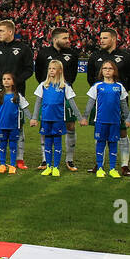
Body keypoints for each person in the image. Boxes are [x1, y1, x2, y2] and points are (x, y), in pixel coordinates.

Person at [85, 28, 130, 175]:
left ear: (114, 39)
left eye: (105, 38)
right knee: (99, 132)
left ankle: (124, 165)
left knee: (122, 132)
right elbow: (91, 78)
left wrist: (119, 91)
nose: (101, 40)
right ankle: (99, 163)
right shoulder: (95, 56)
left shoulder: (126, 56)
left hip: (118, 99)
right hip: (101, 100)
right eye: (100, 38)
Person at [0, 19, 34, 170]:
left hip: (16, 93)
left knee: (18, 125)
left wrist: (15, 82)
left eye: (1, 31)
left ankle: (19, 159)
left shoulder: (24, 49)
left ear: (10, 32)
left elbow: (29, 70)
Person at [35, 28, 81, 171]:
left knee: (71, 126)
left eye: (68, 38)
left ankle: (69, 159)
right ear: (55, 39)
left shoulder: (72, 54)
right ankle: (45, 160)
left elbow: (72, 75)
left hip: (64, 92)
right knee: (46, 126)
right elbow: (38, 74)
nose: (68, 41)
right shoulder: (43, 53)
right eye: (65, 38)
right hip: (49, 94)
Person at [31, 59, 81, 178]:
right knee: (47, 142)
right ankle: (48, 166)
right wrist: (34, 118)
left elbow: (72, 102)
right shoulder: (43, 85)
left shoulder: (65, 86)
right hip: (46, 119)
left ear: (60, 70)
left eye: (53, 68)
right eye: (49, 68)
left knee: (57, 143)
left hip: (58, 119)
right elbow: (38, 103)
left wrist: (79, 117)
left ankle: (56, 167)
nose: (51, 71)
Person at [82, 59, 128, 177]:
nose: (107, 70)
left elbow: (124, 104)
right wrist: (85, 117)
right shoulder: (97, 86)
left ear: (114, 71)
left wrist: (128, 118)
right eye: (105, 68)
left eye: (110, 68)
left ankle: (112, 169)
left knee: (113, 144)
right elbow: (90, 103)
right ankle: (100, 168)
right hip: (101, 121)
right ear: (101, 71)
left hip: (115, 121)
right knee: (100, 143)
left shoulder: (119, 87)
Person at [0, 73, 29, 174]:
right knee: (2, 144)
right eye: (4, 79)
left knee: (12, 145)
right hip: (2, 125)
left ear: (13, 81)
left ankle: (12, 165)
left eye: (9, 79)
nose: (6, 81)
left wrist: (31, 119)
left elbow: (25, 108)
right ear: (2, 82)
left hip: (14, 126)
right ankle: (2, 164)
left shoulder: (17, 95)